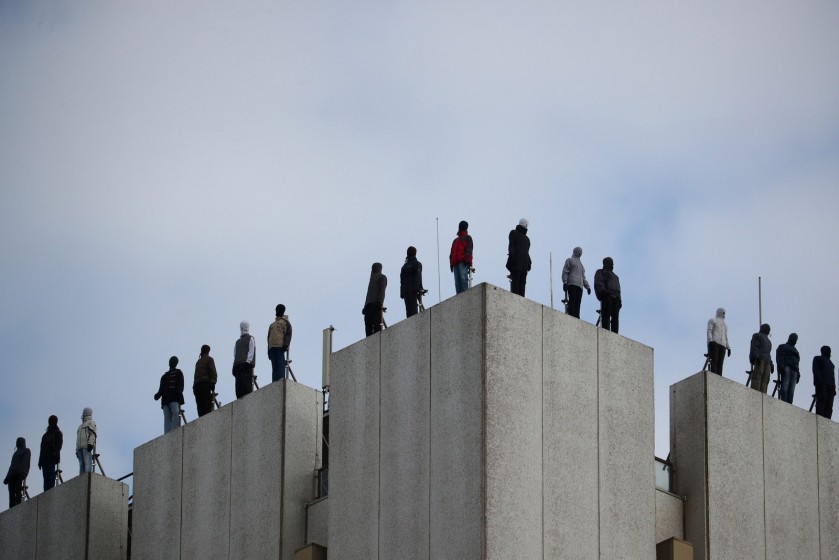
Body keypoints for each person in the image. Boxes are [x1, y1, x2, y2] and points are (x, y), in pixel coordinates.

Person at [154, 356, 185, 434]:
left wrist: (177, 393)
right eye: (170, 361)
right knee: (167, 416)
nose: (171, 363)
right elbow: (161, 389)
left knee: (175, 412)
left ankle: (174, 431)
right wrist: (157, 395)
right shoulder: (164, 376)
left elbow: (181, 386)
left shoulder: (178, 373)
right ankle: (167, 433)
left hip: (174, 397)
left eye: (173, 361)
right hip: (165, 399)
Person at [594, 257, 621, 333]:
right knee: (606, 315)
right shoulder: (600, 272)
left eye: (612, 262)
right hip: (607, 295)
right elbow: (598, 282)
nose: (612, 264)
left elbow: (618, 288)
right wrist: (602, 292)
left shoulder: (616, 277)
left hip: (615, 297)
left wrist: (619, 299)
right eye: (610, 262)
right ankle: (605, 331)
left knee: (615, 317)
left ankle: (615, 333)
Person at [561, 247, 590, 318]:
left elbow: (583, 277)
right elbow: (565, 272)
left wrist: (587, 286)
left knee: (578, 303)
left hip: (580, 286)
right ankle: (571, 315)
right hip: (572, 284)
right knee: (572, 301)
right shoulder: (570, 260)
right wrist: (565, 282)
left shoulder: (581, 265)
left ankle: (577, 316)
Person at [506, 218, 532, 297]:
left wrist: (511, 259)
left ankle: (515, 304)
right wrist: (529, 263)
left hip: (516, 263)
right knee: (522, 288)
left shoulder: (513, 233)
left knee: (515, 287)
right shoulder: (527, 239)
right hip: (524, 265)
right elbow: (526, 253)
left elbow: (511, 248)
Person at [267, 305, 293, 382]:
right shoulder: (272, 325)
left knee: (280, 365)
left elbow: (288, 333)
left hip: (279, 347)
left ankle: (280, 381)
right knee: (274, 367)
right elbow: (268, 337)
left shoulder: (285, 322)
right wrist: (268, 350)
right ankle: (274, 383)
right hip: (272, 348)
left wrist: (285, 345)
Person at [38, 415, 62, 491]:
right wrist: (40, 461)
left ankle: (50, 491)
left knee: (50, 475)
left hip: (51, 458)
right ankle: (46, 492)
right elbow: (42, 448)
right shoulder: (45, 435)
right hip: (45, 458)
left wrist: (55, 453)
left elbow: (59, 445)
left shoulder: (57, 433)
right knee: (46, 477)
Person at [4, 437, 30, 508]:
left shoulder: (26, 451)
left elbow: (26, 463)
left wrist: (23, 473)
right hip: (12, 475)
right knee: (11, 494)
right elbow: (12, 465)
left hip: (19, 474)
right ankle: (11, 508)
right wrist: (7, 477)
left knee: (17, 491)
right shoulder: (15, 453)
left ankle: (18, 506)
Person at [362, 262, 387, 336]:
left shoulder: (382, 277)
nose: (373, 269)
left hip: (376, 304)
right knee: (368, 327)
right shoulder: (372, 279)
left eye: (375, 267)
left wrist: (380, 302)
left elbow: (382, 291)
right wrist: (365, 306)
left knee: (376, 326)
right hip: (368, 305)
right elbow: (368, 294)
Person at [233, 321, 256, 399]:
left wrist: (248, 361)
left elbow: (251, 351)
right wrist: (234, 365)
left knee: (246, 387)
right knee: (238, 388)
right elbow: (235, 355)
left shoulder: (250, 338)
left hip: (246, 366)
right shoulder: (238, 342)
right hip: (238, 366)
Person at [449, 220, 474, 294]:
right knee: (457, 282)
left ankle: (465, 295)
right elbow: (452, 253)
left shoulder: (468, 238)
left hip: (463, 261)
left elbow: (469, 249)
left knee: (463, 279)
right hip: (455, 263)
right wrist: (451, 263)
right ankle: (459, 296)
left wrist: (467, 260)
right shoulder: (455, 240)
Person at [776, 333, 801, 404]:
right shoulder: (782, 346)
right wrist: (780, 366)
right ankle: (784, 402)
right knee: (785, 385)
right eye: (794, 338)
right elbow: (779, 356)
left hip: (794, 370)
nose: (795, 340)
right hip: (786, 367)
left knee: (791, 389)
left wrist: (798, 373)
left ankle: (789, 403)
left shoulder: (796, 351)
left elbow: (797, 362)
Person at [193, 344, 218, 417]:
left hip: (197, 385)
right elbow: (213, 372)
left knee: (200, 406)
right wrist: (213, 383)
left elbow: (195, 376)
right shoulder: (209, 359)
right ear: (208, 351)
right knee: (206, 405)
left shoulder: (198, 362)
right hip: (205, 384)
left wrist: (194, 387)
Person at [748, 324, 773, 394]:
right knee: (757, 377)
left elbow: (769, 353)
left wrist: (771, 363)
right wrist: (756, 357)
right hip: (760, 359)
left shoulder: (769, 342)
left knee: (765, 379)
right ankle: (755, 393)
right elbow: (754, 347)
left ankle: (763, 395)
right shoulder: (757, 335)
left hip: (767, 361)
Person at [400, 247, 424, 318]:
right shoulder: (417, 264)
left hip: (406, 290)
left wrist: (402, 292)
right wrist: (419, 288)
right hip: (413, 289)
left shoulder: (404, 266)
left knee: (408, 309)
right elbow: (418, 277)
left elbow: (402, 280)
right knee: (414, 309)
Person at [813, 346, 836, 419]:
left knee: (829, 405)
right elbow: (816, 370)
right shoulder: (817, 358)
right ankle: (820, 418)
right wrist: (818, 382)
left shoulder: (831, 364)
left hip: (831, 385)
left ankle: (827, 421)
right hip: (822, 383)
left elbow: (833, 376)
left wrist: (834, 388)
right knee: (821, 401)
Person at [706, 308, 731, 375]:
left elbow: (725, 336)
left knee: (720, 362)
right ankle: (713, 375)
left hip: (723, 345)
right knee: (714, 360)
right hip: (715, 342)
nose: (724, 314)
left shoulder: (725, 325)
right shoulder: (713, 320)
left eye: (724, 313)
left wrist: (728, 347)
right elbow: (709, 331)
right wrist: (710, 341)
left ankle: (719, 377)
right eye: (723, 312)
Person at [75, 407, 96, 474]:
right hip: (79, 448)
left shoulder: (91, 422)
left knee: (87, 463)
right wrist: (76, 449)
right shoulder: (80, 426)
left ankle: (87, 477)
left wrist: (90, 444)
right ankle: (81, 479)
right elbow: (78, 439)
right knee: (81, 464)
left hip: (86, 446)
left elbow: (93, 434)